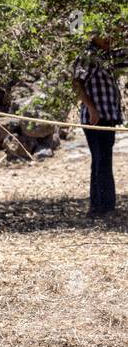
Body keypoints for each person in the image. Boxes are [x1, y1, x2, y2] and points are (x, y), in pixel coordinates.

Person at [72, 35, 124, 217]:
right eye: (104, 35)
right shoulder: (88, 56)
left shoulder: (106, 56)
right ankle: (100, 207)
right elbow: (76, 83)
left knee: (104, 161)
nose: (109, 38)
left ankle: (104, 206)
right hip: (95, 118)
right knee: (100, 160)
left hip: (108, 117)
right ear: (94, 36)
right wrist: (92, 108)